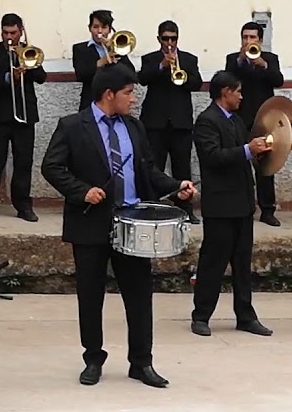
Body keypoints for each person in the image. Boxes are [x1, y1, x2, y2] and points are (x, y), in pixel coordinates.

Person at [40, 64, 196, 389]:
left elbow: (149, 171)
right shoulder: (72, 126)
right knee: (90, 296)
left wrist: (174, 185)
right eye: (128, 93)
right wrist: (81, 191)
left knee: (140, 297)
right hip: (90, 225)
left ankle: (142, 362)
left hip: (132, 224)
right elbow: (51, 166)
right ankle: (93, 358)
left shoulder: (135, 127)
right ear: (108, 94)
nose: (133, 99)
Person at [189, 71, 273, 338]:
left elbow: (245, 154)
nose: (241, 96)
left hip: (242, 203)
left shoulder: (236, 121)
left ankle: (246, 316)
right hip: (220, 204)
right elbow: (213, 156)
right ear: (225, 92)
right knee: (213, 262)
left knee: (242, 263)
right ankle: (201, 315)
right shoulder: (206, 121)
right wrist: (248, 150)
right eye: (238, 91)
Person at [0, 13, 46, 222]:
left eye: (13, 33)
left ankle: (23, 205)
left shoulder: (28, 51)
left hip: (24, 115)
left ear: (21, 31)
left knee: (23, 162)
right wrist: (10, 77)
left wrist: (27, 64)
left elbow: (41, 78)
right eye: (5, 32)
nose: (9, 37)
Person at [137, 21, 203, 224]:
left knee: (181, 167)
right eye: (165, 38)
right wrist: (161, 67)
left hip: (180, 123)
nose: (169, 42)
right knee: (154, 167)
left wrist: (179, 71)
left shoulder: (189, 60)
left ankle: (185, 209)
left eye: (173, 38)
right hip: (155, 123)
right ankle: (152, 207)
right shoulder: (150, 59)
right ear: (159, 39)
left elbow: (197, 83)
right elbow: (142, 79)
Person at [223, 22, 284, 226]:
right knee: (239, 162)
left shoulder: (270, 59)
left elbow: (278, 81)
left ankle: (267, 210)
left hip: (264, 118)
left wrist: (263, 65)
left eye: (252, 38)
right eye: (245, 37)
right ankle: (242, 205)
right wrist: (241, 61)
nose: (248, 41)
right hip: (239, 117)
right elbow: (227, 82)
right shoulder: (233, 59)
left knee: (265, 164)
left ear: (260, 40)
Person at [71, 9, 134, 111]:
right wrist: (100, 63)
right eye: (95, 27)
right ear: (90, 28)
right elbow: (81, 74)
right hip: (90, 102)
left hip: (114, 103)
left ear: (109, 30)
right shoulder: (80, 49)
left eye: (104, 27)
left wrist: (116, 51)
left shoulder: (116, 48)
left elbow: (131, 74)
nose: (100, 31)